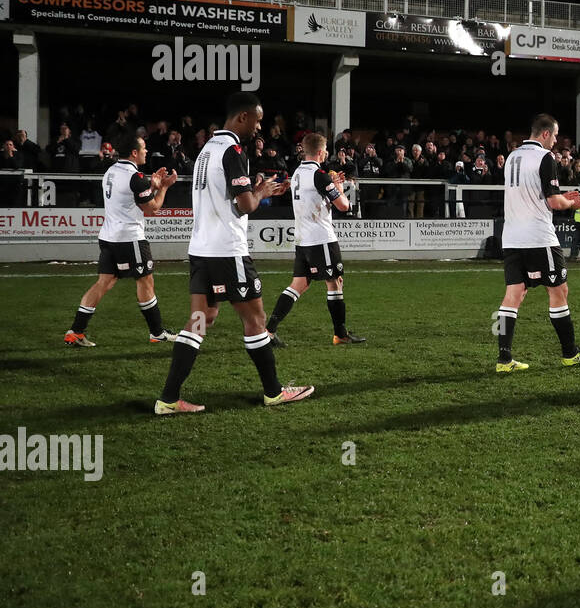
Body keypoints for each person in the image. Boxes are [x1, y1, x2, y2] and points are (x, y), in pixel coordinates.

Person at [154, 92, 315, 414]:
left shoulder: (206, 150)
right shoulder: (233, 150)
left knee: (202, 319)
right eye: (257, 121)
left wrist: (255, 188)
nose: (259, 128)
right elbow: (245, 205)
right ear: (242, 117)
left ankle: (168, 399)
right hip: (228, 252)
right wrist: (261, 191)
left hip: (201, 250)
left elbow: (225, 193)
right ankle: (274, 392)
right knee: (255, 320)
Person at [493, 114, 580, 372]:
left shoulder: (512, 157)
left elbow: (533, 193)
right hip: (539, 237)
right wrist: (570, 202)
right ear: (544, 134)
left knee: (513, 295)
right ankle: (570, 353)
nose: (555, 141)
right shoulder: (545, 158)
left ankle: (504, 360)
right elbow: (552, 203)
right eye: (554, 135)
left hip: (512, 237)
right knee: (559, 291)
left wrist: (560, 196)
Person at [63, 137, 179, 347]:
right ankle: (157, 333)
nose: (146, 150)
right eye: (143, 148)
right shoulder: (136, 177)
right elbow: (152, 209)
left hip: (108, 236)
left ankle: (75, 332)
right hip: (129, 238)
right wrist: (163, 187)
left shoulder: (111, 171)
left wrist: (150, 187)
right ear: (134, 153)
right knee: (145, 282)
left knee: (104, 282)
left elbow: (130, 199)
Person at [266, 132, 366, 347]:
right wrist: (338, 187)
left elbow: (316, 195)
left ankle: (268, 332)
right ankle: (340, 334)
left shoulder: (297, 173)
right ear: (321, 152)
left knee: (298, 284)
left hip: (303, 239)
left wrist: (330, 183)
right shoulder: (319, 174)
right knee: (335, 282)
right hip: (321, 239)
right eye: (326, 150)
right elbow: (344, 206)